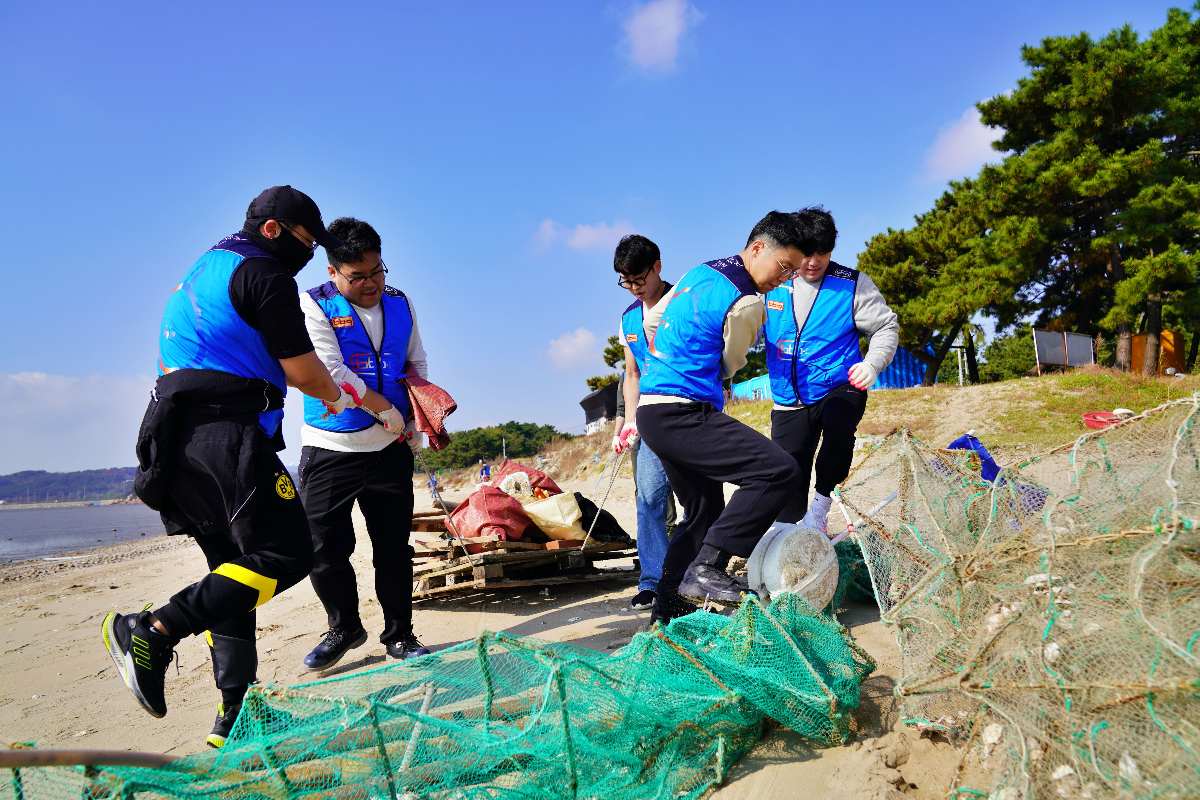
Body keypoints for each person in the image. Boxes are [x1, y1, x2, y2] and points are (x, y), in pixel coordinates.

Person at [103, 186, 356, 748]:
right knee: (290, 552)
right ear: (274, 231)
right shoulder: (264, 275)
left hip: (177, 439)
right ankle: (153, 629)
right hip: (224, 436)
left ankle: (238, 719)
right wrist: (340, 395)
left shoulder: (207, 266)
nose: (309, 255)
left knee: (233, 575)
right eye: (306, 243)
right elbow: (304, 371)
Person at [636, 211, 809, 624]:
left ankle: (666, 615)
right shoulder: (748, 301)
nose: (783, 279)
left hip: (651, 411)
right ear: (757, 248)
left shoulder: (702, 271)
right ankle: (707, 567)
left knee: (703, 509)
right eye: (783, 267)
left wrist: (673, 352)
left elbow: (655, 320)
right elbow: (730, 365)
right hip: (683, 412)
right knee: (778, 470)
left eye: (792, 273)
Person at [297, 217, 432, 670]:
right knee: (323, 547)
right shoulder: (313, 305)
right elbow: (331, 374)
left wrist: (418, 415)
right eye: (358, 276)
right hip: (331, 446)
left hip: (391, 448)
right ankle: (343, 627)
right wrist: (386, 411)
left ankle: (400, 634)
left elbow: (416, 361)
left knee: (393, 547)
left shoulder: (400, 303)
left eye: (378, 271)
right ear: (333, 271)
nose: (371, 283)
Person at [762, 207, 898, 531]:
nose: (813, 262)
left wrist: (872, 364)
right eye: (807, 254)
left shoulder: (852, 284)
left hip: (839, 384)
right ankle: (790, 534)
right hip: (789, 398)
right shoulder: (772, 283)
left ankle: (820, 511)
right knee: (787, 474)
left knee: (840, 423)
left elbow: (886, 327)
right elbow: (744, 327)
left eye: (822, 254)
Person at [609, 234, 677, 611]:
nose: (634, 289)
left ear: (658, 267)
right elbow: (631, 374)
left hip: (687, 415)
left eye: (639, 279)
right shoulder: (628, 318)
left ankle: (696, 572)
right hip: (649, 420)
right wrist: (628, 424)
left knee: (697, 498)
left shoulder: (681, 303)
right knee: (648, 498)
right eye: (626, 282)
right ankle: (652, 579)